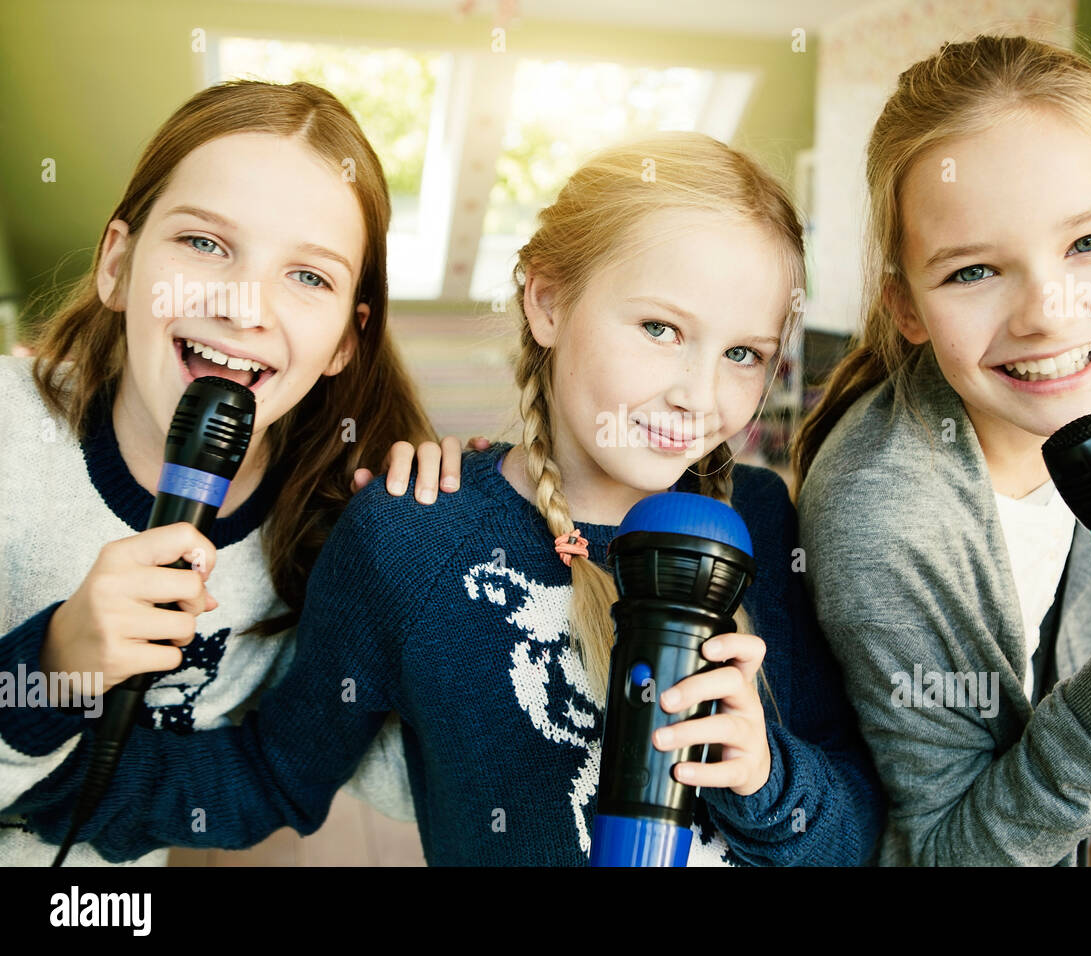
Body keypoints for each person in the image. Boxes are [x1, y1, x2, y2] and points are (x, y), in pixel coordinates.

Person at [8, 132, 884, 866]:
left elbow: (852, 829)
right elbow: (272, 777)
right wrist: (33, 754)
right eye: (660, 328)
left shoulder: (763, 516)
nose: (699, 394)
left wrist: (767, 777)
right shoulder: (409, 534)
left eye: (743, 354)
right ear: (547, 301)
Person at [792, 35, 1091, 865]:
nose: (1050, 315)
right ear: (906, 306)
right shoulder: (886, 521)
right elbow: (939, 855)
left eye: (1090, 243)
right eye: (974, 271)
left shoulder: (1087, 389)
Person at [0, 80, 470, 865]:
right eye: (205, 244)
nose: (245, 307)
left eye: (309, 276)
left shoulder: (330, 530)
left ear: (345, 342)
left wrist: (453, 576)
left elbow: (398, 780)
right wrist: (50, 671)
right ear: (117, 264)